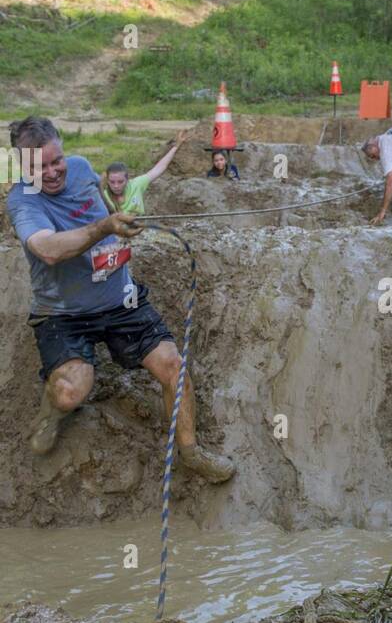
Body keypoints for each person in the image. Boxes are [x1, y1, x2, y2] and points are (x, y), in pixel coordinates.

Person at [5, 116, 235, 482]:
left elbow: (100, 203)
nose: (52, 172)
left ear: (64, 151)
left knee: (174, 367)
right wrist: (103, 229)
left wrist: (116, 219)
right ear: (22, 165)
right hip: (63, 313)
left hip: (119, 298)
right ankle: (50, 413)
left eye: (56, 160)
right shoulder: (22, 200)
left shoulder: (81, 169)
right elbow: (47, 249)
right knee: (70, 391)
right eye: (39, 166)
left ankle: (190, 452)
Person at [101, 130, 190, 214]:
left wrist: (176, 146)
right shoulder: (103, 196)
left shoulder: (136, 185)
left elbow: (158, 168)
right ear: (107, 181)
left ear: (127, 180)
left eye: (120, 182)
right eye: (112, 182)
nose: (116, 186)